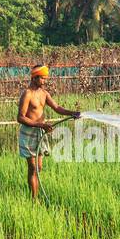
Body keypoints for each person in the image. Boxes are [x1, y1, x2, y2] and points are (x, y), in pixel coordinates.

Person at [17, 64, 79, 201]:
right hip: (29, 133)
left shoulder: (44, 94)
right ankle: (34, 199)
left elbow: (57, 107)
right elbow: (20, 117)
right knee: (32, 167)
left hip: (40, 131)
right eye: (42, 79)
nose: (45, 81)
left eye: (45, 79)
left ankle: (35, 195)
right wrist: (40, 124)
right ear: (35, 78)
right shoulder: (27, 94)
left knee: (39, 167)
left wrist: (72, 113)